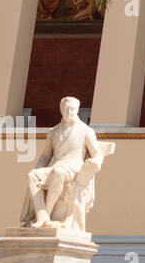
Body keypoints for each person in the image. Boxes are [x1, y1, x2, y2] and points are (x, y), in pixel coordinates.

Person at [21, 97, 102, 230]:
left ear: (77, 110)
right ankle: (42, 216)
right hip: (56, 165)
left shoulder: (86, 130)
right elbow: (46, 155)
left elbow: (97, 152)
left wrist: (95, 162)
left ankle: (46, 212)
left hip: (74, 167)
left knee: (57, 172)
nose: (68, 112)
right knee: (33, 175)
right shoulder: (53, 132)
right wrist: (38, 168)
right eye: (65, 109)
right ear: (61, 110)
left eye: (72, 109)